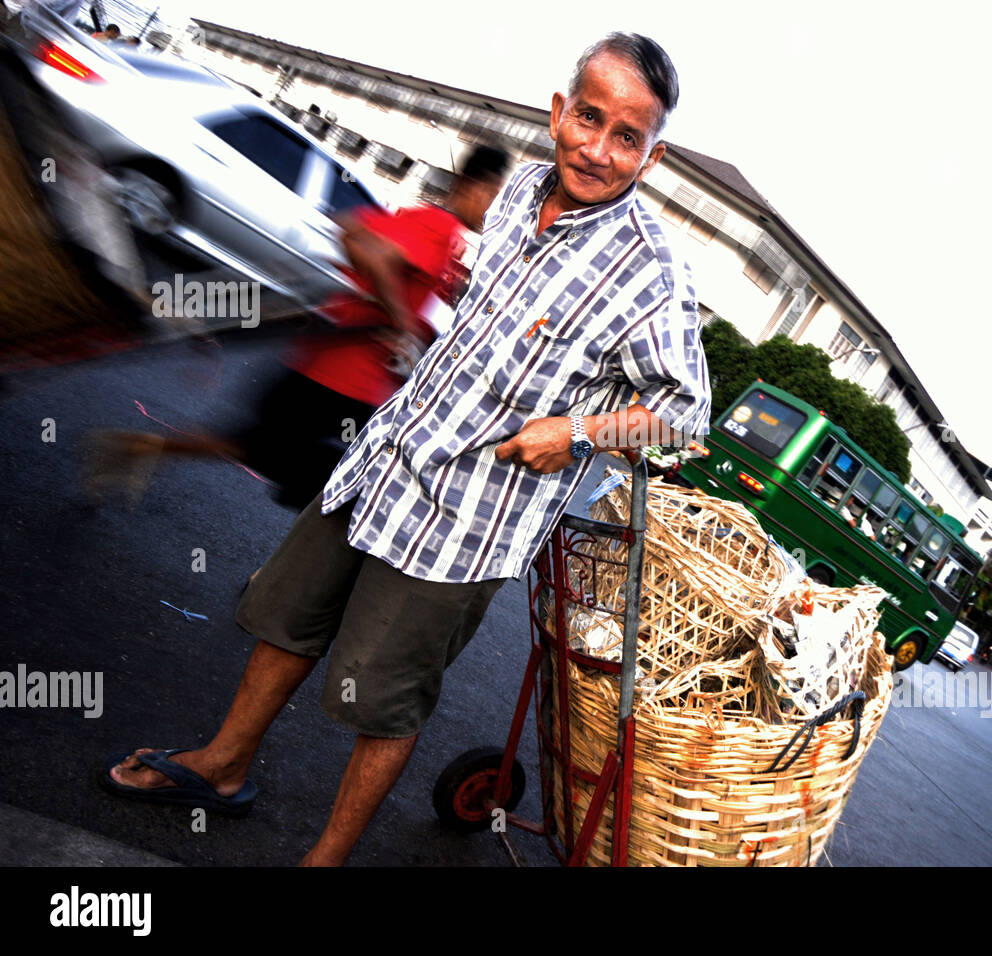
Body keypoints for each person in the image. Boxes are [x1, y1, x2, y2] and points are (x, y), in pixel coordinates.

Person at [103, 32, 711, 866]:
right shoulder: (520, 190)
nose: (598, 150)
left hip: (469, 520)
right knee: (287, 618)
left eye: (627, 138)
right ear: (560, 111)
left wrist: (576, 431)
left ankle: (326, 858)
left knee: (384, 701)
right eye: (590, 119)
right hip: (385, 455)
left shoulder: (652, 269)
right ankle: (222, 765)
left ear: (652, 153)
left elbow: (685, 412)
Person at [84, 144, 509, 511]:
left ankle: (141, 448)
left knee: (268, 451)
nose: (493, 207)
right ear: (475, 186)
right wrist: (399, 322)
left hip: (338, 374)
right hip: (340, 382)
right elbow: (372, 252)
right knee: (349, 484)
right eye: (493, 194)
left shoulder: (425, 219)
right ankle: (284, 586)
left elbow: (352, 229)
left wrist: (387, 308)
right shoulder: (436, 227)